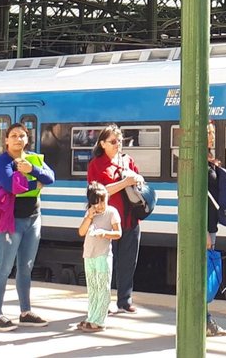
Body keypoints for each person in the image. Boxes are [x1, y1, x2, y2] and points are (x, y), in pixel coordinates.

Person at [0, 124, 54, 331]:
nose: (18, 139)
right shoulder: (2, 161)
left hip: (33, 218)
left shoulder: (33, 158)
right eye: (14, 136)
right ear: (6, 140)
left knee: (26, 267)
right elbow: (12, 186)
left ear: (27, 139)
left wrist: (32, 169)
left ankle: (25, 312)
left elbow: (50, 177)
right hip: (10, 220)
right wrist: (36, 184)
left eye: (22, 136)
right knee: (4, 267)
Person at [85, 124, 144, 314]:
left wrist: (138, 179)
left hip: (130, 219)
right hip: (106, 220)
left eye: (119, 140)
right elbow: (100, 192)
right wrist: (124, 182)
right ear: (102, 143)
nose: (117, 144)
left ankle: (125, 300)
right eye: (113, 141)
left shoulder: (128, 160)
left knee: (128, 261)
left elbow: (138, 179)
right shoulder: (96, 164)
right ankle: (104, 301)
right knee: (105, 261)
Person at [75, 181, 120, 332]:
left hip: (103, 255)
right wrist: (89, 217)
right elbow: (81, 232)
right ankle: (91, 317)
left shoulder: (112, 212)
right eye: (97, 203)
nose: (101, 205)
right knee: (93, 288)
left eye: (103, 201)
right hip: (89, 255)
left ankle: (100, 321)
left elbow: (118, 233)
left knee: (103, 288)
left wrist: (105, 233)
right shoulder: (90, 213)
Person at [204, 122, 226, 337]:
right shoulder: (198, 162)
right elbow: (199, 199)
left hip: (211, 226)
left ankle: (205, 321)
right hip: (204, 228)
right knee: (203, 276)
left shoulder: (208, 160)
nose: (212, 137)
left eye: (212, 133)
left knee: (205, 275)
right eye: (208, 133)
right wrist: (203, 231)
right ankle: (205, 321)